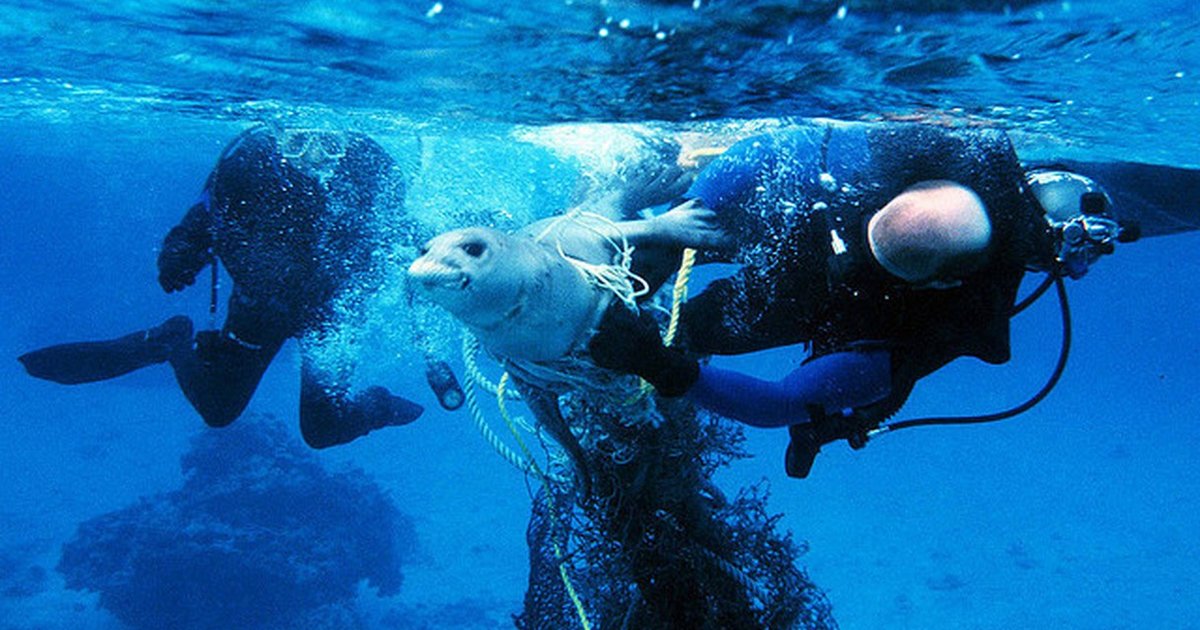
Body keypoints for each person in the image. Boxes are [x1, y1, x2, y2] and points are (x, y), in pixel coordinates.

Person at [589, 120, 1195, 477]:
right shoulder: (901, 163)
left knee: (696, 329)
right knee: (691, 262)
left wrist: (664, 367)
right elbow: (777, 149)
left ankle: (829, 418)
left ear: (939, 282)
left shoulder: (922, 328)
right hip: (811, 245)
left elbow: (779, 405)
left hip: (826, 307)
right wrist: (675, 225)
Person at [18, 124, 465, 449]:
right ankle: (171, 342)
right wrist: (181, 252)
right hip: (261, 307)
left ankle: (377, 407)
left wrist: (449, 252)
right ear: (278, 136)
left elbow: (403, 226)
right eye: (297, 141)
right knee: (218, 411)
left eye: (329, 143)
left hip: (333, 316)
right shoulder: (249, 162)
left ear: (346, 140)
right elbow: (204, 216)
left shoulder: (369, 166)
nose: (313, 157)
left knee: (322, 431)